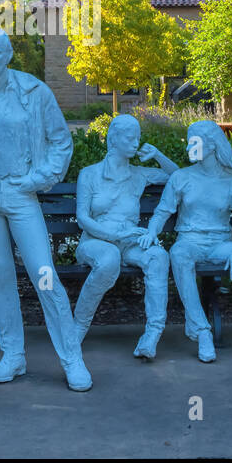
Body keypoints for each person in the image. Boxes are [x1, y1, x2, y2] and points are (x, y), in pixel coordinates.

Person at [0, 27, 92, 391]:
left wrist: (37, 179)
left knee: (44, 274)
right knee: (0, 278)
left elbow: (61, 142)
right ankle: (13, 355)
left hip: (20, 192)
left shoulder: (33, 92)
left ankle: (72, 359)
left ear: (8, 54)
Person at [143, 120, 232, 363]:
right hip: (190, 242)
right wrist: (151, 232)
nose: (189, 146)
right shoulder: (181, 178)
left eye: (195, 142)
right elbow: (162, 212)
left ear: (211, 145)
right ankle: (201, 331)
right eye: (188, 141)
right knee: (178, 254)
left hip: (222, 243)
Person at [74, 115, 178, 359]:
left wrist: (158, 156)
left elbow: (179, 178)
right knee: (109, 257)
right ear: (113, 140)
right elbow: (82, 218)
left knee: (157, 256)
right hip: (95, 242)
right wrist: (115, 234)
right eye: (130, 138)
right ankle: (76, 329)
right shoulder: (89, 174)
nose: (135, 143)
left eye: (138, 138)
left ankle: (151, 336)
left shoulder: (140, 174)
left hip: (129, 243)